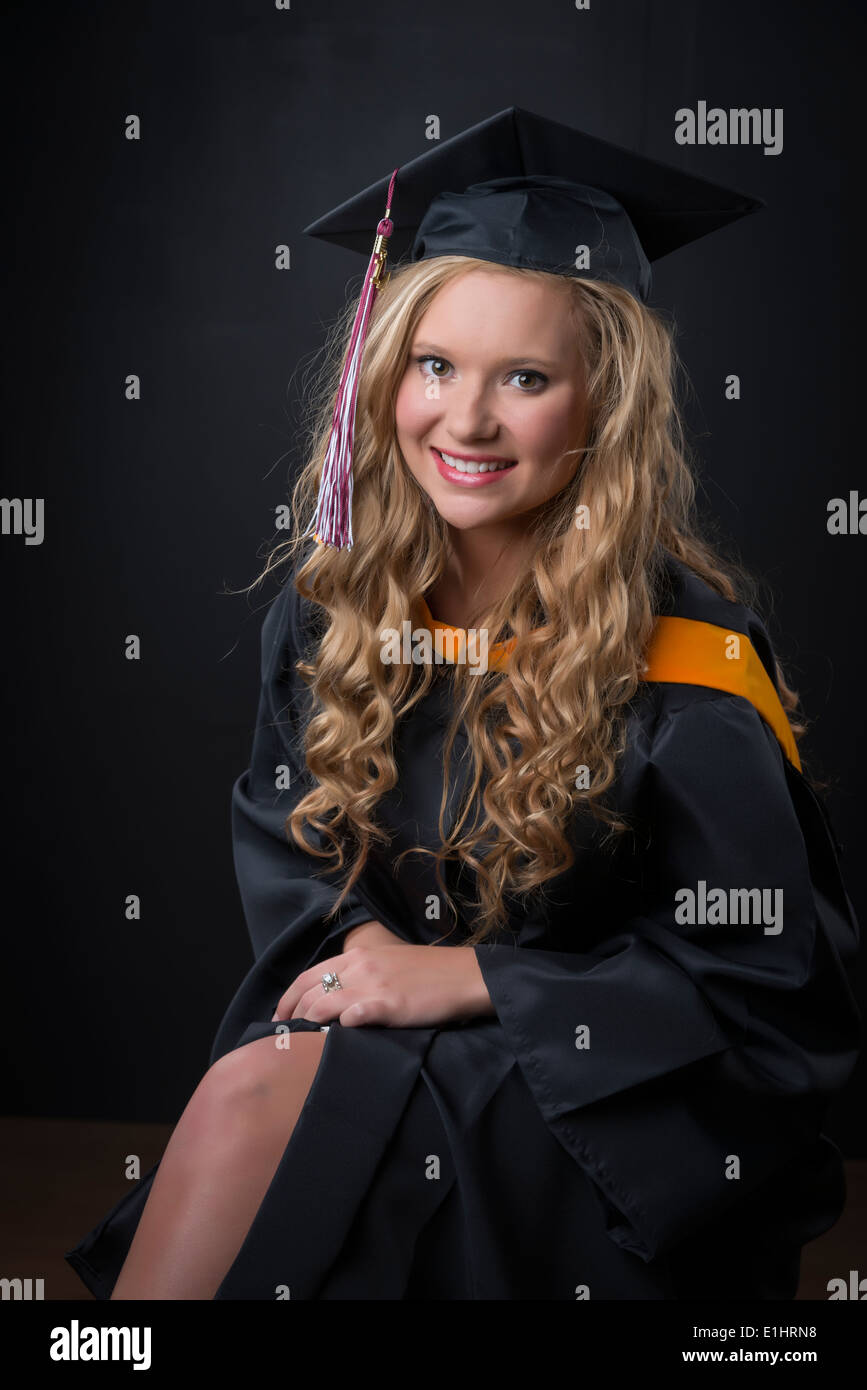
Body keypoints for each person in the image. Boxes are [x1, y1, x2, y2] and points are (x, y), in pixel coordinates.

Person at [65, 108, 861, 1301]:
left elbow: (772, 995)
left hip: (629, 1123)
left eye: (526, 379)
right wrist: (369, 950)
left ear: (605, 408)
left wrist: (478, 980)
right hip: (407, 1055)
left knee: (265, 1115)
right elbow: (297, 869)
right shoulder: (332, 617)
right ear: (387, 373)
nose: (467, 420)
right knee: (266, 1100)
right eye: (435, 365)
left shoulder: (688, 666)